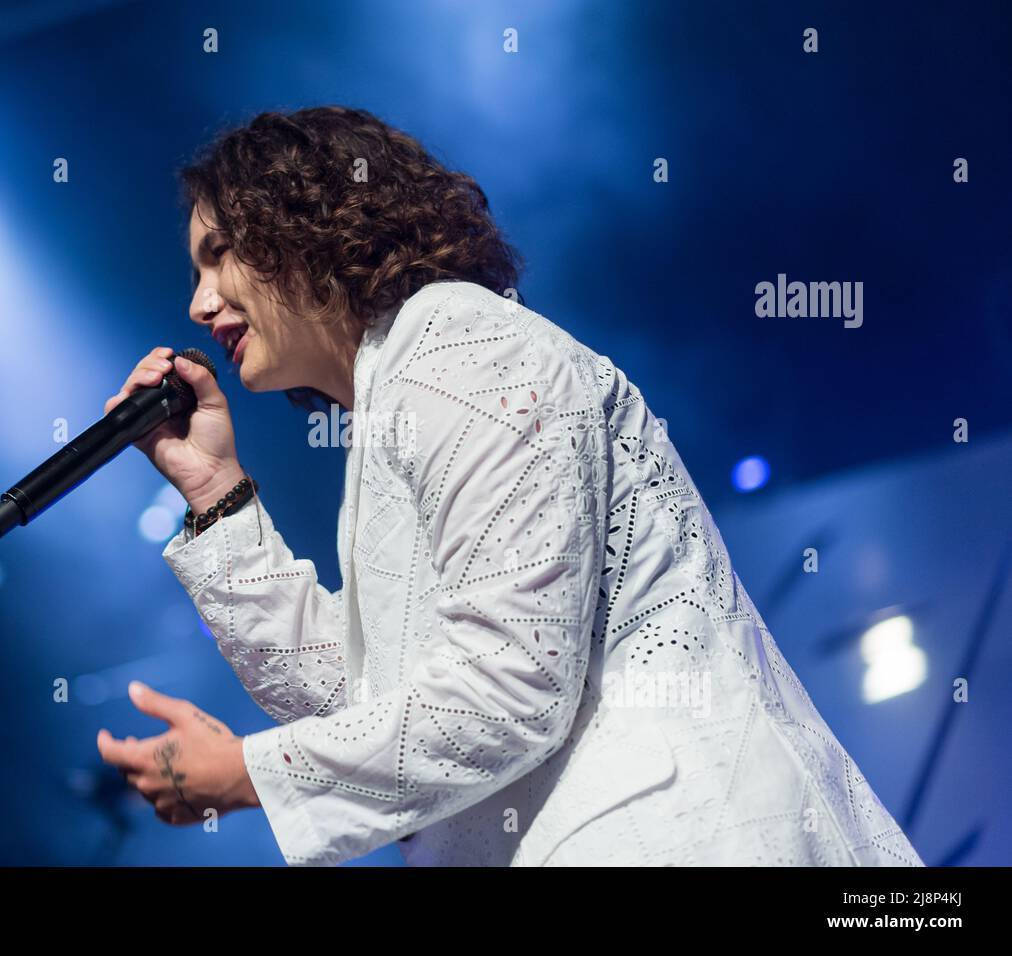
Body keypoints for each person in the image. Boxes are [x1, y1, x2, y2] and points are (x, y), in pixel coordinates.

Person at [96, 106, 924, 867]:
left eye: (220, 254)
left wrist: (247, 773)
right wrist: (216, 494)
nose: (200, 303)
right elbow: (379, 704)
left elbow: (509, 686)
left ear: (306, 223)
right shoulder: (408, 388)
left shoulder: (462, 349)